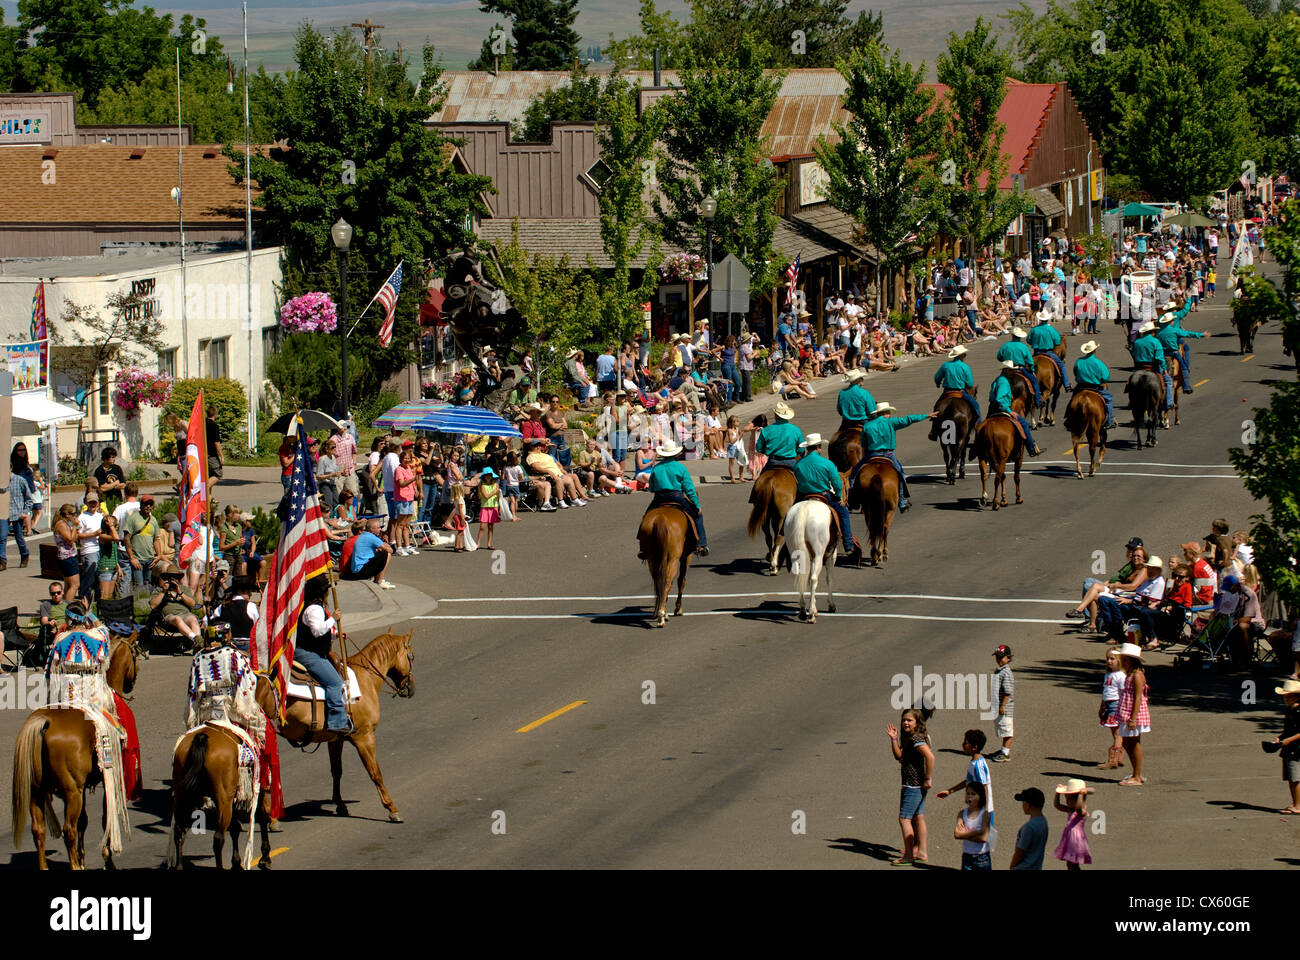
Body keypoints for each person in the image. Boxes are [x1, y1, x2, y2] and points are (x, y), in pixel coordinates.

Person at [295, 577, 352, 734]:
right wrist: (333, 619)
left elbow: (320, 633)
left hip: (311, 650)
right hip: (309, 654)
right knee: (334, 683)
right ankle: (337, 722)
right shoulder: (315, 609)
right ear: (324, 593)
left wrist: (334, 636)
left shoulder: (312, 607)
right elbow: (317, 631)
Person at [792, 433, 860, 562]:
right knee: (843, 513)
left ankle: (784, 536)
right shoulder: (827, 463)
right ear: (818, 447)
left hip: (803, 495)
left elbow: (797, 480)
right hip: (823, 494)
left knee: (790, 514)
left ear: (807, 448)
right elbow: (837, 483)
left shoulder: (798, 464)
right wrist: (839, 496)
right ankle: (848, 543)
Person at [858, 402, 934, 512]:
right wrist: (926, 416)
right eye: (889, 412)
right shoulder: (891, 422)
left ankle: (853, 499)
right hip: (888, 455)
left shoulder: (867, 425)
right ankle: (902, 501)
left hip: (872, 454)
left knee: (854, 475)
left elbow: (863, 444)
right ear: (885, 413)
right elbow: (908, 419)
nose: (890, 414)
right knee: (901, 474)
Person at [887, 708, 934, 865]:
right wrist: (893, 739)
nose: (906, 723)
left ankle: (908, 855)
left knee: (904, 819)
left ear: (917, 722)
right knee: (918, 817)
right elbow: (899, 756)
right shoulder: (909, 738)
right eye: (904, 720)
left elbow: (930, 756)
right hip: (913, 784)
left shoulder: (916, 739)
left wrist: (928, 778)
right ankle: (921, 852)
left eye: (910, 720)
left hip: (913, 785)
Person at [645, 440, 708, 557]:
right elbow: (690, 490)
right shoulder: (681, 468)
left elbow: (651, 488)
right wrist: (697, 505)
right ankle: (701, 544)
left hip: (659, 498)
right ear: (675, 454)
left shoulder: (656, 468)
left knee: (646, 517)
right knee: (697, 515)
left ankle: (643, 547)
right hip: (677, 497)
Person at [937, 728, 993, 830]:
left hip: (982, 810)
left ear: (974, 747)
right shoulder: (973, 762)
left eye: (966, 743)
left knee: (981, 839)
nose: (963, 744)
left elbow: (984, 787)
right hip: (976, 808)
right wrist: (950, 791)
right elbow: (968, 781)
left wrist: (984, 811)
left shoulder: (978, 765)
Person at [987, 362, 1042, 457]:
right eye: (1012, 370)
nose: (1013, 372)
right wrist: (1009, 411)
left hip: (992, 408)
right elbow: (999, 398)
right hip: (1002, 408)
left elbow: (991, 396)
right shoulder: (1004, 382)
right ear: (1006, 370)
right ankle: (1031, 449)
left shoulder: (997, 379)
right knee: (1024, 424)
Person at [1115, 642, 1149, 785]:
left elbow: (1138, 697)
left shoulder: (1137, 675)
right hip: (1126, 711)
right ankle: (1135, 772)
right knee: (1128, 743)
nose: (1122, 661)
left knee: (1134, 743)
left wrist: (1133, 718)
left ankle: (1137, 775)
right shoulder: (1130, 674)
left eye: (1124, 659)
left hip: (1132, 713)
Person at [1155, 300, 1205, 397]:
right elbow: (1186, 311)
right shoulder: (1177, 317)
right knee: (1184, 358)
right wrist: (1189, 300)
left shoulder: (1160, 319)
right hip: (1174, 348)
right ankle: (1186, 385)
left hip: (1162, 350)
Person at [149, 562, 201, 643]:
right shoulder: (160, 590)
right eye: (170, 577)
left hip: (185, 615)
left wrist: (180, 593)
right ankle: (196, 640)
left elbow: (192, 604)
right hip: (169, 618)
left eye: (175, 577)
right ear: (166, 578)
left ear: (178, 579)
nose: (173, 579)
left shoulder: (183, 589)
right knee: (177, 619)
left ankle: (197, 643)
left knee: (193, 619)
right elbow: (152, 605)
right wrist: (164, 591)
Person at [1271, 679, 1300, 814]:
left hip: (1297, 748)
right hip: (1288, 747)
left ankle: (1298, 805)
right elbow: (1289, 729)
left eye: (1287, 696)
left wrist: (1288, 740)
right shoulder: (1290, 710)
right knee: (1290, 778)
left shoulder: (1299, 711)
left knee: (1296, 778)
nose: (1285, 698)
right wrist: (1281, 737)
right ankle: (1295, 803)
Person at [1072, 340, 1115, 429]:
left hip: (1081, 387)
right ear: (1094, 351)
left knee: (1072, 401)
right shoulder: (1098, 362)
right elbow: (1106, 377)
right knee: (1109, 399)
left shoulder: (1079, 361)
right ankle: (1109, 422)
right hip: (1095, 388)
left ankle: (1069, 419)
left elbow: (1075, 372)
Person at [995, 327, 1043, 407]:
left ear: (1012, 335)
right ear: (1020, 336)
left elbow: (999, 357)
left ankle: (996, 401)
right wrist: (1032, 370)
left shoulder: (1005, 346)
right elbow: (1030, 361)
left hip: (1007, 369)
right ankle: (1037, 401)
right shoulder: (1023, 347)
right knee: (1034, 381)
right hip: (1020, 369)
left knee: (998, 382)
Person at [932, 345, 981, 421]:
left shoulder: (946, 365)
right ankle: (978, 424)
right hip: (960, 392)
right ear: (961, 355)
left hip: (947, 392)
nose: (965, 355)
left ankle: (934, 428)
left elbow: (937, 377)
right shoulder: (965, 367)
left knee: (936, 408)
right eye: (964, 354)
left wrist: (938, 383)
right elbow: (970, 384)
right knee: (976, 406)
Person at [1052, 779, 1094, 869]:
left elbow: (1079, 807)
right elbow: (1057, 805)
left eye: (1070, 799)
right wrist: (1058, 793)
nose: (1067, 801)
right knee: (1070, 864)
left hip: (1076, 841)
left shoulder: (1082, 811)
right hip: (1069, 839)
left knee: (1073, 865)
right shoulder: (1070, 810)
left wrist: (1080, 794)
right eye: (1066, 798)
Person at [1, 458, 33, 571]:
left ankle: (25, 555)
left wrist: (24, 512)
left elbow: (29, 498)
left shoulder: (20, 480)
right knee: (2, 537)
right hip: (3, 514)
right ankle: (2, 561)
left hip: (17, 513)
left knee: (19, 537)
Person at [343, 517, 395, 588]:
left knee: (379, 552)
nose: (380, 529)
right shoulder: (371, 537)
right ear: (372, 530)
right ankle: (379, 581)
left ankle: (375, 579)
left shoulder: (363, 535)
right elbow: (390, 550)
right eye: (378, 527)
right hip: (360, 572)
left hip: (355, 570)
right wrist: (385, 544)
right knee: (386, 554)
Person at [211, 576, 259, 651]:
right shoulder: (251, 606)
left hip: (226, 646)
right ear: (240, 591)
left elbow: (212, 622)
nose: (250, 594)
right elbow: (257, 626)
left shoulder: (222, 606)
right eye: (248, 591)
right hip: (246, 645)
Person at [754, 402, 804, 472]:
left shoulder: (766, 430)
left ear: (776, 415)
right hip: (790, 461)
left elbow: (759, 448)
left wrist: (765, 451)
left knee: (760, 480)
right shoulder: (796, 430)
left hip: (773, 461)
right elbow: (801, 449)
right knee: (801, 480)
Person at [1008, 787, 1049, 870]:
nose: (1022, 805)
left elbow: (1020, 852)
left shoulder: (1029, 827)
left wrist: (1012, 867)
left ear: (1028, 805)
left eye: (1023, 802)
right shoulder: (1044, 822)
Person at [1098, 648, 1126, 770]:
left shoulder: (1120, 675)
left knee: (1117, 733)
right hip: (1108, 705)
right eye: (1107, 658)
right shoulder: (1108, 675)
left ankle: (1113, 759)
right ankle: (1119, 756)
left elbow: (1122, 692)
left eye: (1112, 659)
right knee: (1114, 733)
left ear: (1119, 661)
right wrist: (1102, 707)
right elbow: (1106, 692)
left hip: (1116, 704)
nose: (1109, 661)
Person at [954, 783, 992, 871]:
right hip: (966, 855)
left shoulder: (984, 815)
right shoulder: (962, 813)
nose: (969, 796)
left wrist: (964, 834)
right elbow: (957, 834)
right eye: (967, 793)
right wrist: (977, 832)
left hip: (981, 857)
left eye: (973, 794)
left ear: (980, 796)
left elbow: (983, 838)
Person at [1026, 313, 1070, 389]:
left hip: (1036, 352)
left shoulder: (1034, 329)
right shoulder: (1051, 329)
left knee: (1026, 366)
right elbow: (1057, 341)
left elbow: (1028, 340)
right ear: (1047, 319)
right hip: (1048, 352)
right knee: (1062, 365)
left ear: (1040, 319)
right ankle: (1066, 385)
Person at [76, 493, 104, 603]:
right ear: (86, 503)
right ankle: (84, 598)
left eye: (95, 502)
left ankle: (96, 600)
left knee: (98, 576)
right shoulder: (82, 517)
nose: (93, 504)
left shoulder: (100, 516)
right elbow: (78, 535)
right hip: (88, 550)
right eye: (90, 502)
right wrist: (94, 534)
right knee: (89, 576)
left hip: (100, 549)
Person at [990, 645, 1014, 762]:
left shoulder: (1006, 673)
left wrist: (1003, 705)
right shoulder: (1000, 671)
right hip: (999, 706)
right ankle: (1003, 749)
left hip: (1005, 708)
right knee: (1002, 729)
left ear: (1008, 658)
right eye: (997, 657)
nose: (999, 660)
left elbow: (1008, 692)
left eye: (1001, 657)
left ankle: (1005, 752)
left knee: (1007, 730)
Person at [835, 368, 877, 434]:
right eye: (861, 378)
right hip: (862, 420)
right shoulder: (864, 392)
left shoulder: (842, 392)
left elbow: (840, 410)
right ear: (858, 380)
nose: (863, 379)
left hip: (846, 422)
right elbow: (872, 410)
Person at [477, 467, 501, 549]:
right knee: (482, 527)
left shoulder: (496, 485)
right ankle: (478, 544)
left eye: (489, 475)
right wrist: (494, 492)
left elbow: (498, 497)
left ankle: (489, 544)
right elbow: (486, 496)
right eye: (486, 475)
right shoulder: (482, 485)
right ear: (484, 476)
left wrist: (500, 508)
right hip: (485, 507)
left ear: (492, 476)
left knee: (491, 527)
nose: (488, 477)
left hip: (494, 507)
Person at [204, 403, 224, 481]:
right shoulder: (214, 425)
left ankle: (209, 493)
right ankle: (204, 489)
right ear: (215, 414)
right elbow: (216, 442)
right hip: (211, 453)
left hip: (202, 452)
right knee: (218, 474)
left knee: (209, 475)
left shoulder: (202, 423)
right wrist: (221, 456)